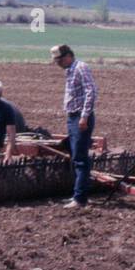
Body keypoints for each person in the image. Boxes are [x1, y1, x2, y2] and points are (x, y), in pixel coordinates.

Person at [50, 43, 97, 209]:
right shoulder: (70, 71)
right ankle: (79, 194)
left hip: (79, 118)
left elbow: (91, 92)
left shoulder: (80, 67)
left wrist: (84, 117)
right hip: (73, 117)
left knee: (80, 159)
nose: (58, 64)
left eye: (60, 60)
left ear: (68, 56)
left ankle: (80, 199)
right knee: (76, 155)